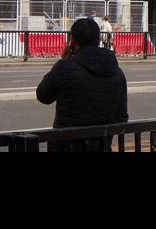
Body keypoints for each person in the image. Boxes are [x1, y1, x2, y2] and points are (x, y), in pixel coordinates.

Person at [36, 17, 129, 151]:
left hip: (66, 146)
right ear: (98, 40)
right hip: (101, 146)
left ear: (73, 41)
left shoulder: (66, 67)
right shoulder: (118, 72)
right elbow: (122, 117)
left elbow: (43, 95)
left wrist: (64, 62)